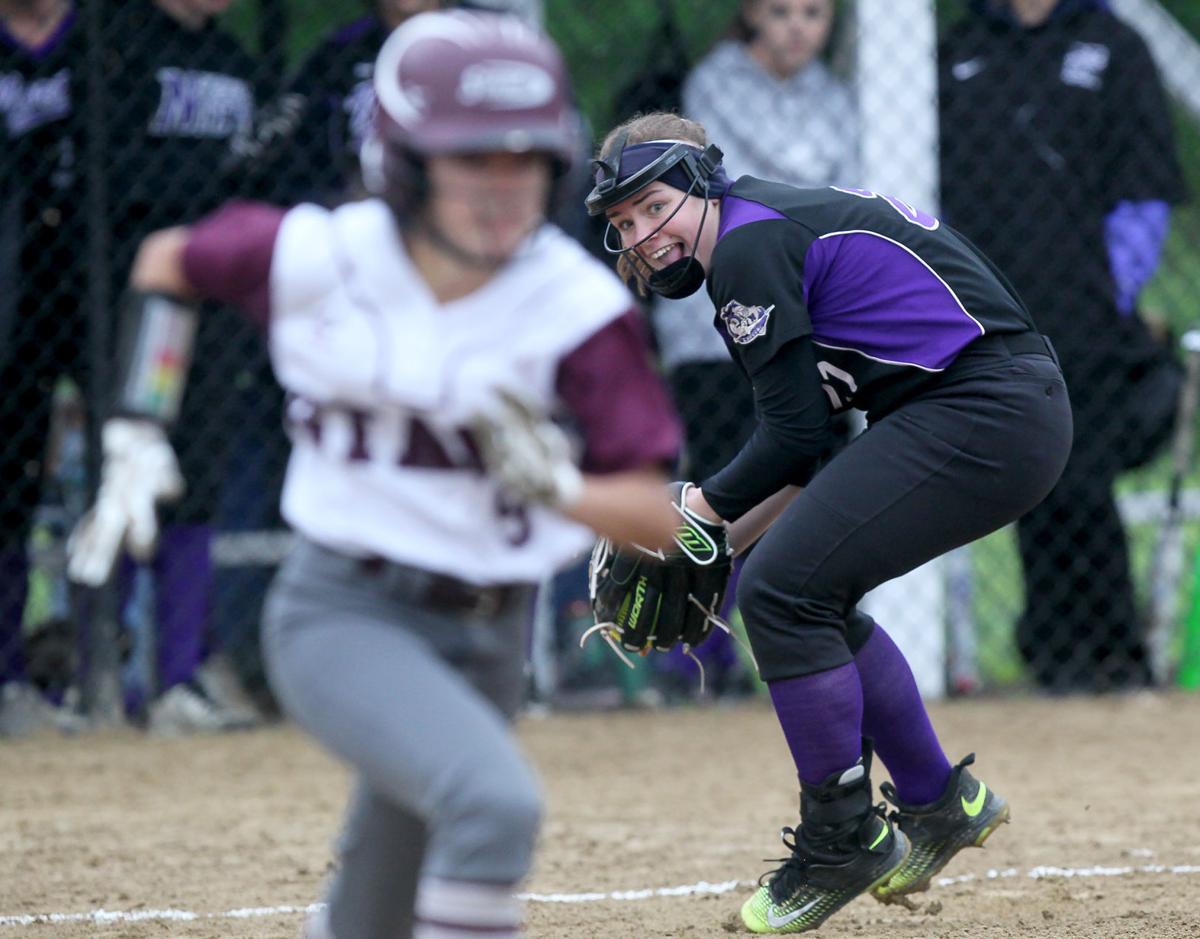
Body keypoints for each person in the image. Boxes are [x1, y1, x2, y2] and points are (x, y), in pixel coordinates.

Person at [68, 10, 681, 938]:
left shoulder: (576, 307)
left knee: (374, 911)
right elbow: (168, 262)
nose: (501, 185)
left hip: (489, 633)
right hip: (345, 611)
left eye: (523, 159)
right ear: (402, 164)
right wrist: (138, 420)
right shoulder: (325, 252)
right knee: (493, 806)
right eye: (470, 159)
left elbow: (655, 516)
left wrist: (556, 487)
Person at [585, 111, 1072, 933]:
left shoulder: (746, 249)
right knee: (803, 585)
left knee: (782, 596)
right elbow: (807, 450)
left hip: (986, 410)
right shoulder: (757, 235)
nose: (643, 234)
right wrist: (718, 546)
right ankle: (937, 802)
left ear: (703, 179)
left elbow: (793, 437)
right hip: (989, 407)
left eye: (654, 204)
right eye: (624, 223)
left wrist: (693, 517)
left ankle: (841, 838)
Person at [938, 0, 1188, 692]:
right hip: (985, 311)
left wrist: (1116, 290)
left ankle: (1109, 646)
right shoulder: (958, 53)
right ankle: (1052, 648)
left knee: (1081, 473)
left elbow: (1144, 189)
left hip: (1085, 311)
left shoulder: (1115, 45)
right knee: (1025, 475)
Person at [654, 0, 861, 697]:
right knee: (729, 478)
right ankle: (698, 651)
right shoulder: (713, 85)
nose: (798, 26)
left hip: (809, 315)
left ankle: (787, 640)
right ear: (749, 15)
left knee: (809, 482)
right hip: (716, 329)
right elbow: (796, 174)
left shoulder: (832, 93)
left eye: (813, 12)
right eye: (780, 11)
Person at [96, 0, 265, 731]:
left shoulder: (236, 61)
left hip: (217, 300)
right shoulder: (116, 43)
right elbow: (115, 174)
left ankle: (177, 679)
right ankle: (111, 673)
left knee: (196, 474)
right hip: (144, 300)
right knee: (129, 474)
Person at [0, 0, 89, 736]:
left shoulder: (101, 38)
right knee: (9, 493)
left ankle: (110, 672)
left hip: (90, 283)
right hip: (9, 290)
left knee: (126, 482)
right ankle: (8, 673)